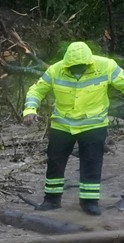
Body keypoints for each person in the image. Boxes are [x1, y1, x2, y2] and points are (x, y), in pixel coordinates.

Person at [23, 41, 124, 216]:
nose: (77, 70)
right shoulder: (56, 70)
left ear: (89, 62)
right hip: (62, 125)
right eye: (73, 67)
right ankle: (52, 200)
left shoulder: (106, 66)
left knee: (92, 162)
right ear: (66, 63)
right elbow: (36, 90)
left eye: (81, 67)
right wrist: (30, 110)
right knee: (55, 162)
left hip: (93, 124)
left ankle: (89, 202)